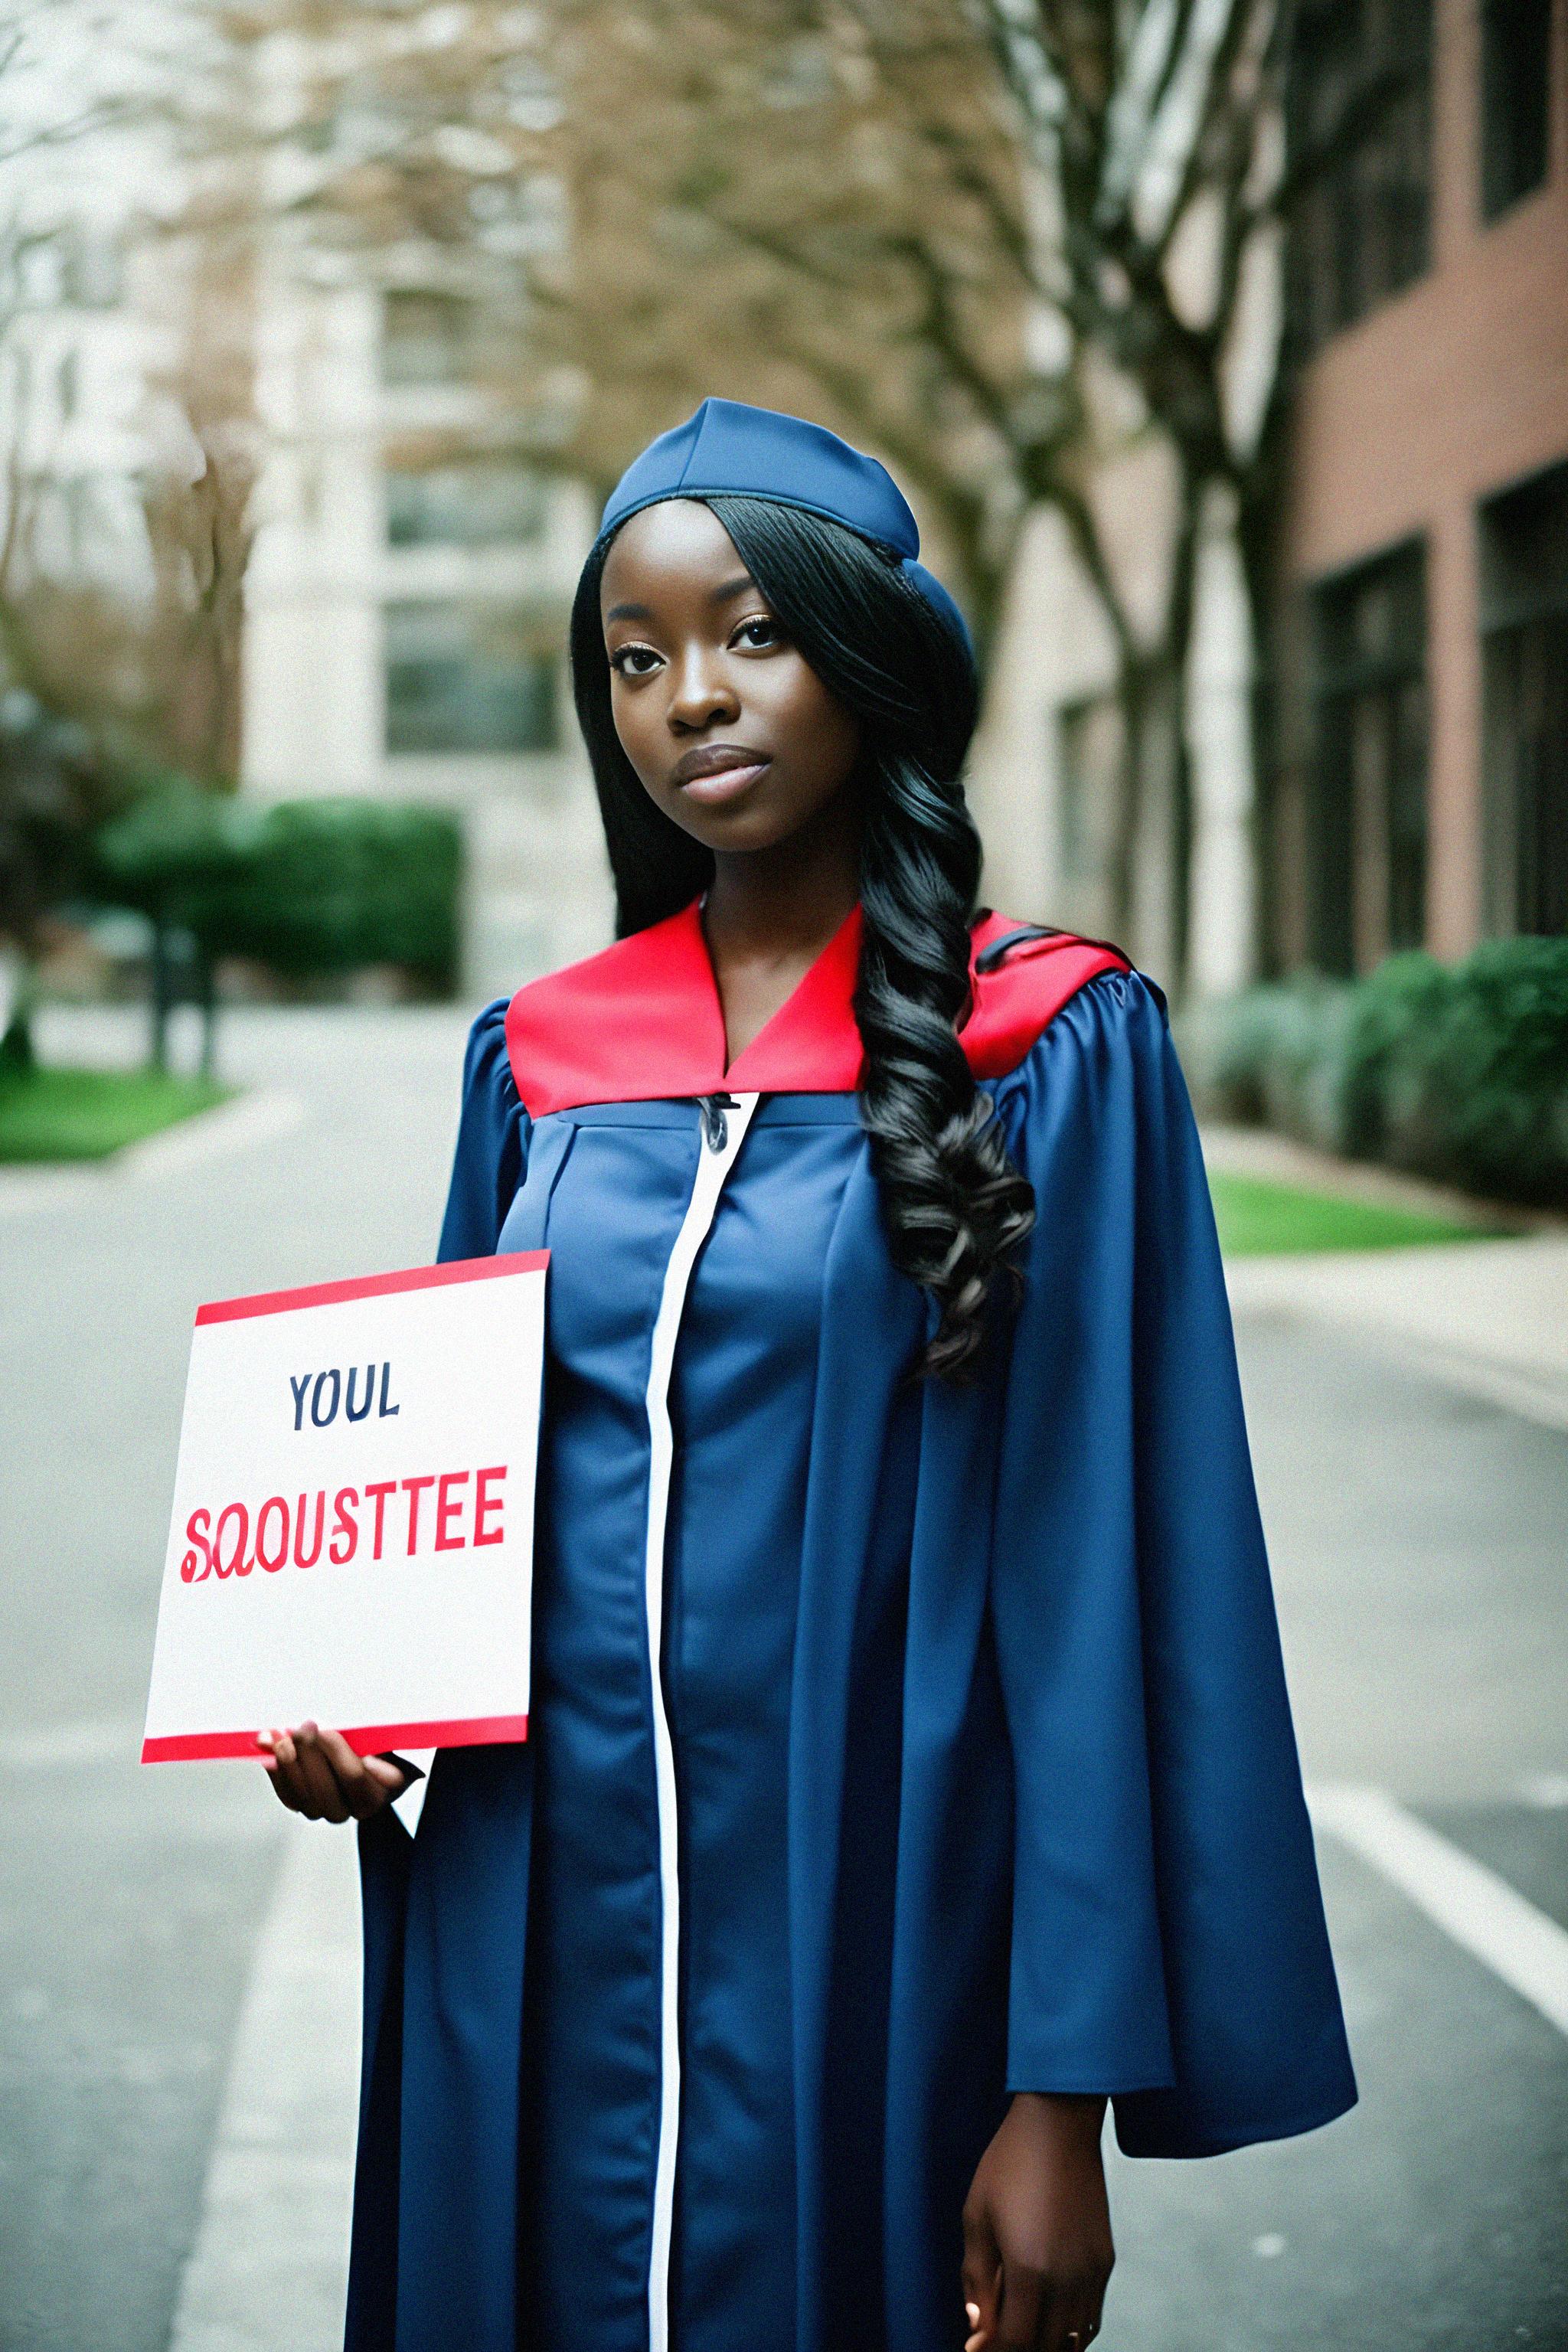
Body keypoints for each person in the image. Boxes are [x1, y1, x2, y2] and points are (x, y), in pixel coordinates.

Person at [260, 399, 1357, 2352]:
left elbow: (1101, 1578)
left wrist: (1059, 2088)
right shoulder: (539, 1058)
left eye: (750, 632)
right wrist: (360, 1709)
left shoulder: (1050, 1043)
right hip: (531, 1924)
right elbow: (437, 1492)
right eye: (635, 655)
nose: (691, 695)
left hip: (883, 1921)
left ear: (869, 652)